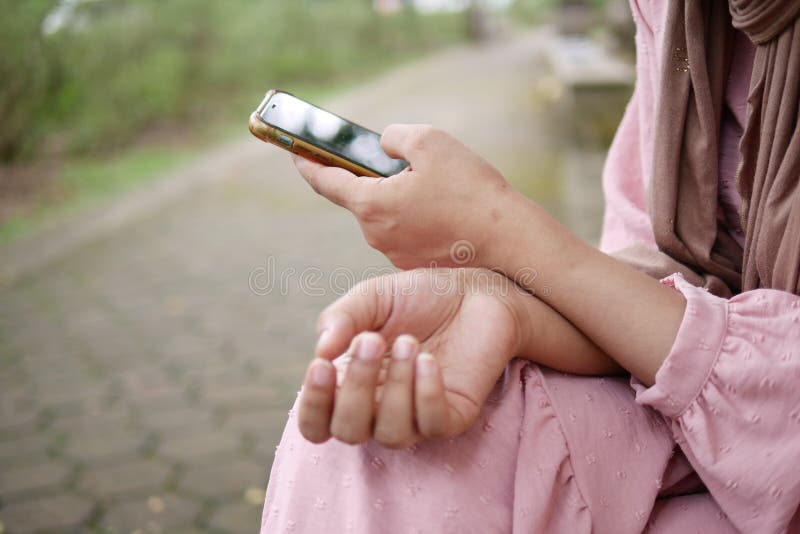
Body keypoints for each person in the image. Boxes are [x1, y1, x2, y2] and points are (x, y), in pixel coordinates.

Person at [261, 2, 800, 532]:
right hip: (696, 381)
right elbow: (648, 275)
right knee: (370, 446)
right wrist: (506, 309)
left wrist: (499, 227)